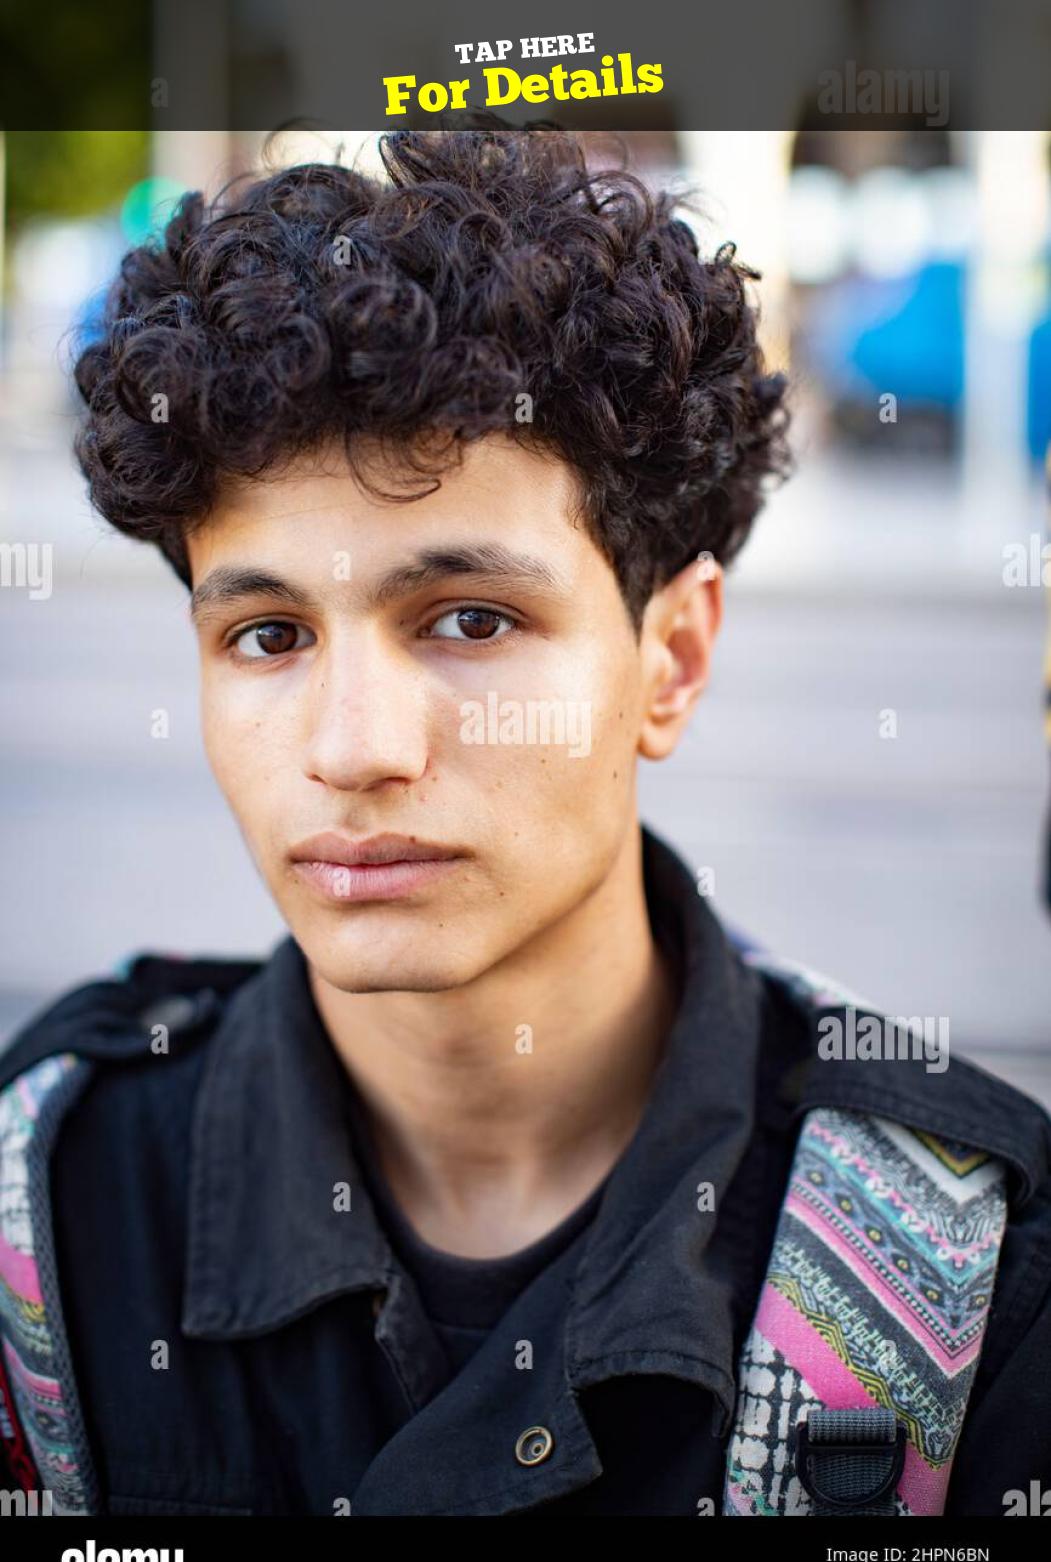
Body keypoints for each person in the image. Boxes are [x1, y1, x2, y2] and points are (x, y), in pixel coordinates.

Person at [2, 128, 1050, 1519]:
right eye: (266, 635)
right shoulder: (48, 1221)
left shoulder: (976, 1278)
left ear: (668, 658)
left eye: (471, 618)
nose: (353, 747)